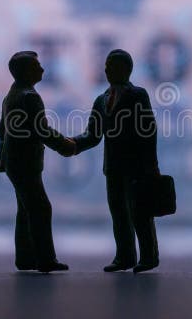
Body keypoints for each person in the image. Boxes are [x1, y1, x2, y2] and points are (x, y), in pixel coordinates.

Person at [69, 49, 161, 273]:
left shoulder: (137, 95)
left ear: (126, 69)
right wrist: (72, 144)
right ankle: (125, 256)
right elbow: (93, 134)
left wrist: (151, 166)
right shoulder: (101, 100)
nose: (107, 69)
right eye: (107, 65)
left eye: (113, 65)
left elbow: (148, 131)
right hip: (112, 167)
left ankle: (148, 257)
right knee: (119, 212)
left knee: (140, 213)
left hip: (136, 166)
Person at [0, 51, 76, 273]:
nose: (42, 69)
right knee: (40, 208)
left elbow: (2, 130)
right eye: (36, 66)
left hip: (14, 161)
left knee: (25, 210)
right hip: (26, 161)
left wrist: (1, 156)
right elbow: (41, 130)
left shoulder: (10, 96)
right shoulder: (30, 96)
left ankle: (24, 258)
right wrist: (64, 145)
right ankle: (45, 259)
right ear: (25, 72)